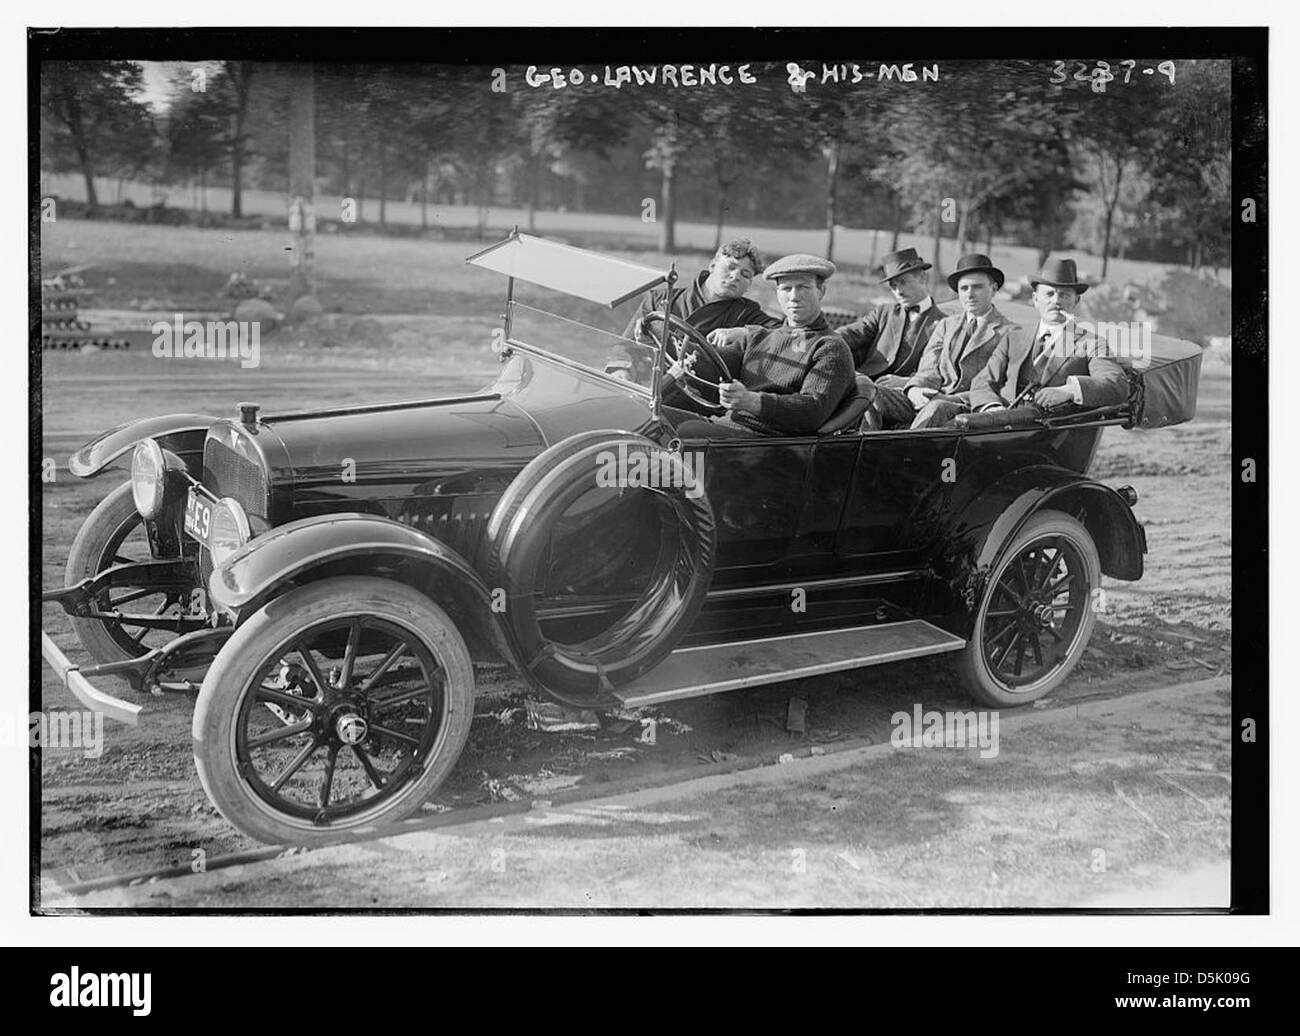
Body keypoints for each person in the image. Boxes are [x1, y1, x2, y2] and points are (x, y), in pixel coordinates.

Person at [669, 254, 855, 438]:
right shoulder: (759, 337)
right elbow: (712, 365)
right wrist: (666, 339)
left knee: (687, 433)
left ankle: (679, 467)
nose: (794, 297)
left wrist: (752, 402)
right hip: (728, 425)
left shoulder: (830, 348)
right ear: (777, 293)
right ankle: (654, 467)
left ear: (821, 291)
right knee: (648, 415)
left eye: (803, 287)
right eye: (786, 288)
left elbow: (813, 410)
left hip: (770, 442)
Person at [604, 239, 781, 383]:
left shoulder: (747, 313)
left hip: (694, 399)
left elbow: (785, 332)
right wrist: (621, 369)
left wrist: (744, 332)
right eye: (731, 267)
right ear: (712, 265)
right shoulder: (659, 298)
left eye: (745, 274)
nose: (735, 276)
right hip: (647, 385)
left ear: (749, 284)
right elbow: (625, 345)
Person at [969, 257, 1128, 413]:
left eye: (1064, 295)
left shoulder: (1091, 342)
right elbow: (983, 382)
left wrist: (1069, 391)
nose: (1056, 301)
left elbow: (1116, 385)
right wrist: (992, 408)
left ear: (1076, 301)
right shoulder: (1013, 339)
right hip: (1004, 423)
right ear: (1035, 299)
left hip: (1055, 432)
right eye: (1049, 294)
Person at [899, 253, 1017, 429]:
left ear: (993, 288)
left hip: (967, 407)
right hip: (931, 396)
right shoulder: (946, 325)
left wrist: (948, 398)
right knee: (874, 395)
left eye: (977, 287)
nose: (969, 295)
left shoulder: (1010, 332)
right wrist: (916, 389)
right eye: (964, 289)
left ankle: (902, 453)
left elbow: (998, 387)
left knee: (937, 407)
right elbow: (928, 368)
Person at [835, 248, 948, 430]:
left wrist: (907, 383)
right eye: (893, 286)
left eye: (903, 282)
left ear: (922, 278)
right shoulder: (884, 312)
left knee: (870, 394)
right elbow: (851, 334)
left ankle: (863, 448)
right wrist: (822, 340)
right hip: (866, 381)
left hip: (906, 394)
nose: (898, 291)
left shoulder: (944, 323)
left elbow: (938, 370)